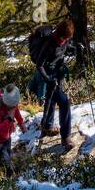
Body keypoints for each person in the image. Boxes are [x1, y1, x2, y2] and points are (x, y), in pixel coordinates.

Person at [30, 18, 76, 151]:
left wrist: (75, 49)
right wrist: (47, 79)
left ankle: (47, 127)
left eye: (66, 39)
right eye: (63, 38)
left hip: (58, 74)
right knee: (64, 101)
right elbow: (39, 65)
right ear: (59, 34)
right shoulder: (50, 43)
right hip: (48, 75)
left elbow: (65, 50)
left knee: (51, 101)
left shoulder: (65, 39)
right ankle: (66, 137)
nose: (64, 41)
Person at [0, 84, 25, 176]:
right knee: (4, 161)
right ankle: (2, 180)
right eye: (13, 106)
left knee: (6, 158)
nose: (15, 107)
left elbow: (17, 114)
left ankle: (1, 176)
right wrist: (8, 120)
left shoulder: (13, 106)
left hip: (6, 139)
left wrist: (22, 125)